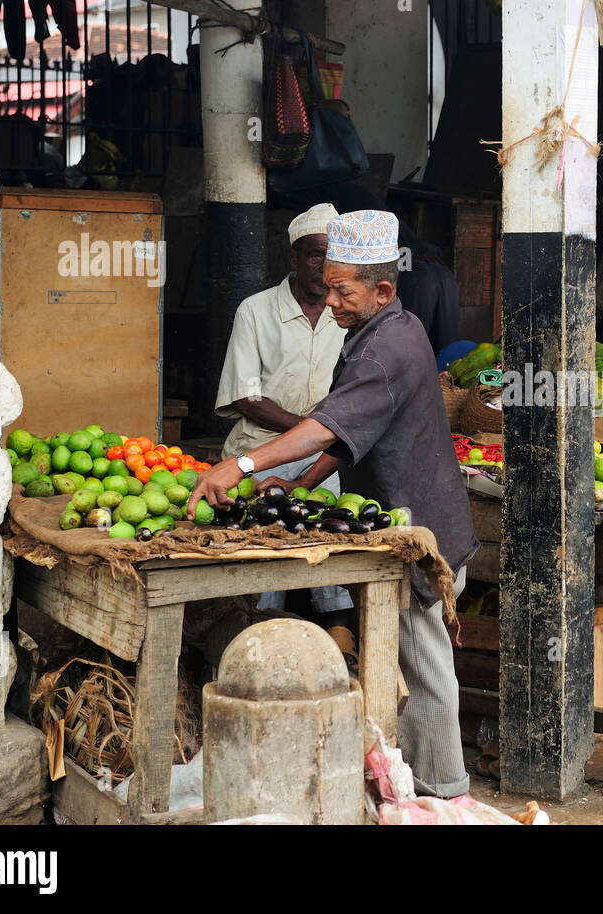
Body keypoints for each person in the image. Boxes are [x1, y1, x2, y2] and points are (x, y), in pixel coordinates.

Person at [189, 209, 478, 798]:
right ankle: (415, 783)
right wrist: (301, 485)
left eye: (343, 290)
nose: (332, 299)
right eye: (329, 286)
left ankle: (444, 793)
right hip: (411, 524)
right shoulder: (387, 330)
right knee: (413, 660)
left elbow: (323, 427)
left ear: (382, 290)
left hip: (422, 535)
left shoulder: (383, 351)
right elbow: (351, 438)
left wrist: (240, 464)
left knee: (426, 668)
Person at [214, 203, 353, 620]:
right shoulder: (255, 311)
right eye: (315, 255)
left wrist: (318, 437)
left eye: (332, 257)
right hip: (257, 452)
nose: (324, 267)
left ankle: (338, 642)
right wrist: (311, 429)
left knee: (331, 551)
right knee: (261, 561)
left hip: (323, 457)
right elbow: (246, 397)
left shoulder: (345, 313)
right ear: (292, 258)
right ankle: (260, 634)